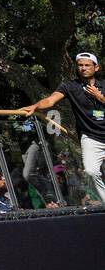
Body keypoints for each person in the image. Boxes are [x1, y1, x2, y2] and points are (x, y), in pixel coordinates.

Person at [18, 52, 105, 204]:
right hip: (91, 137)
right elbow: (50, 100)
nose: (83, 68)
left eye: (87, 65)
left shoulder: (104, 85)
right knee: (91, 172)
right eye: (80, 65)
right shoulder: (69, 86)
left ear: (96, 68)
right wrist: (36, 105)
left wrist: (100, 97)